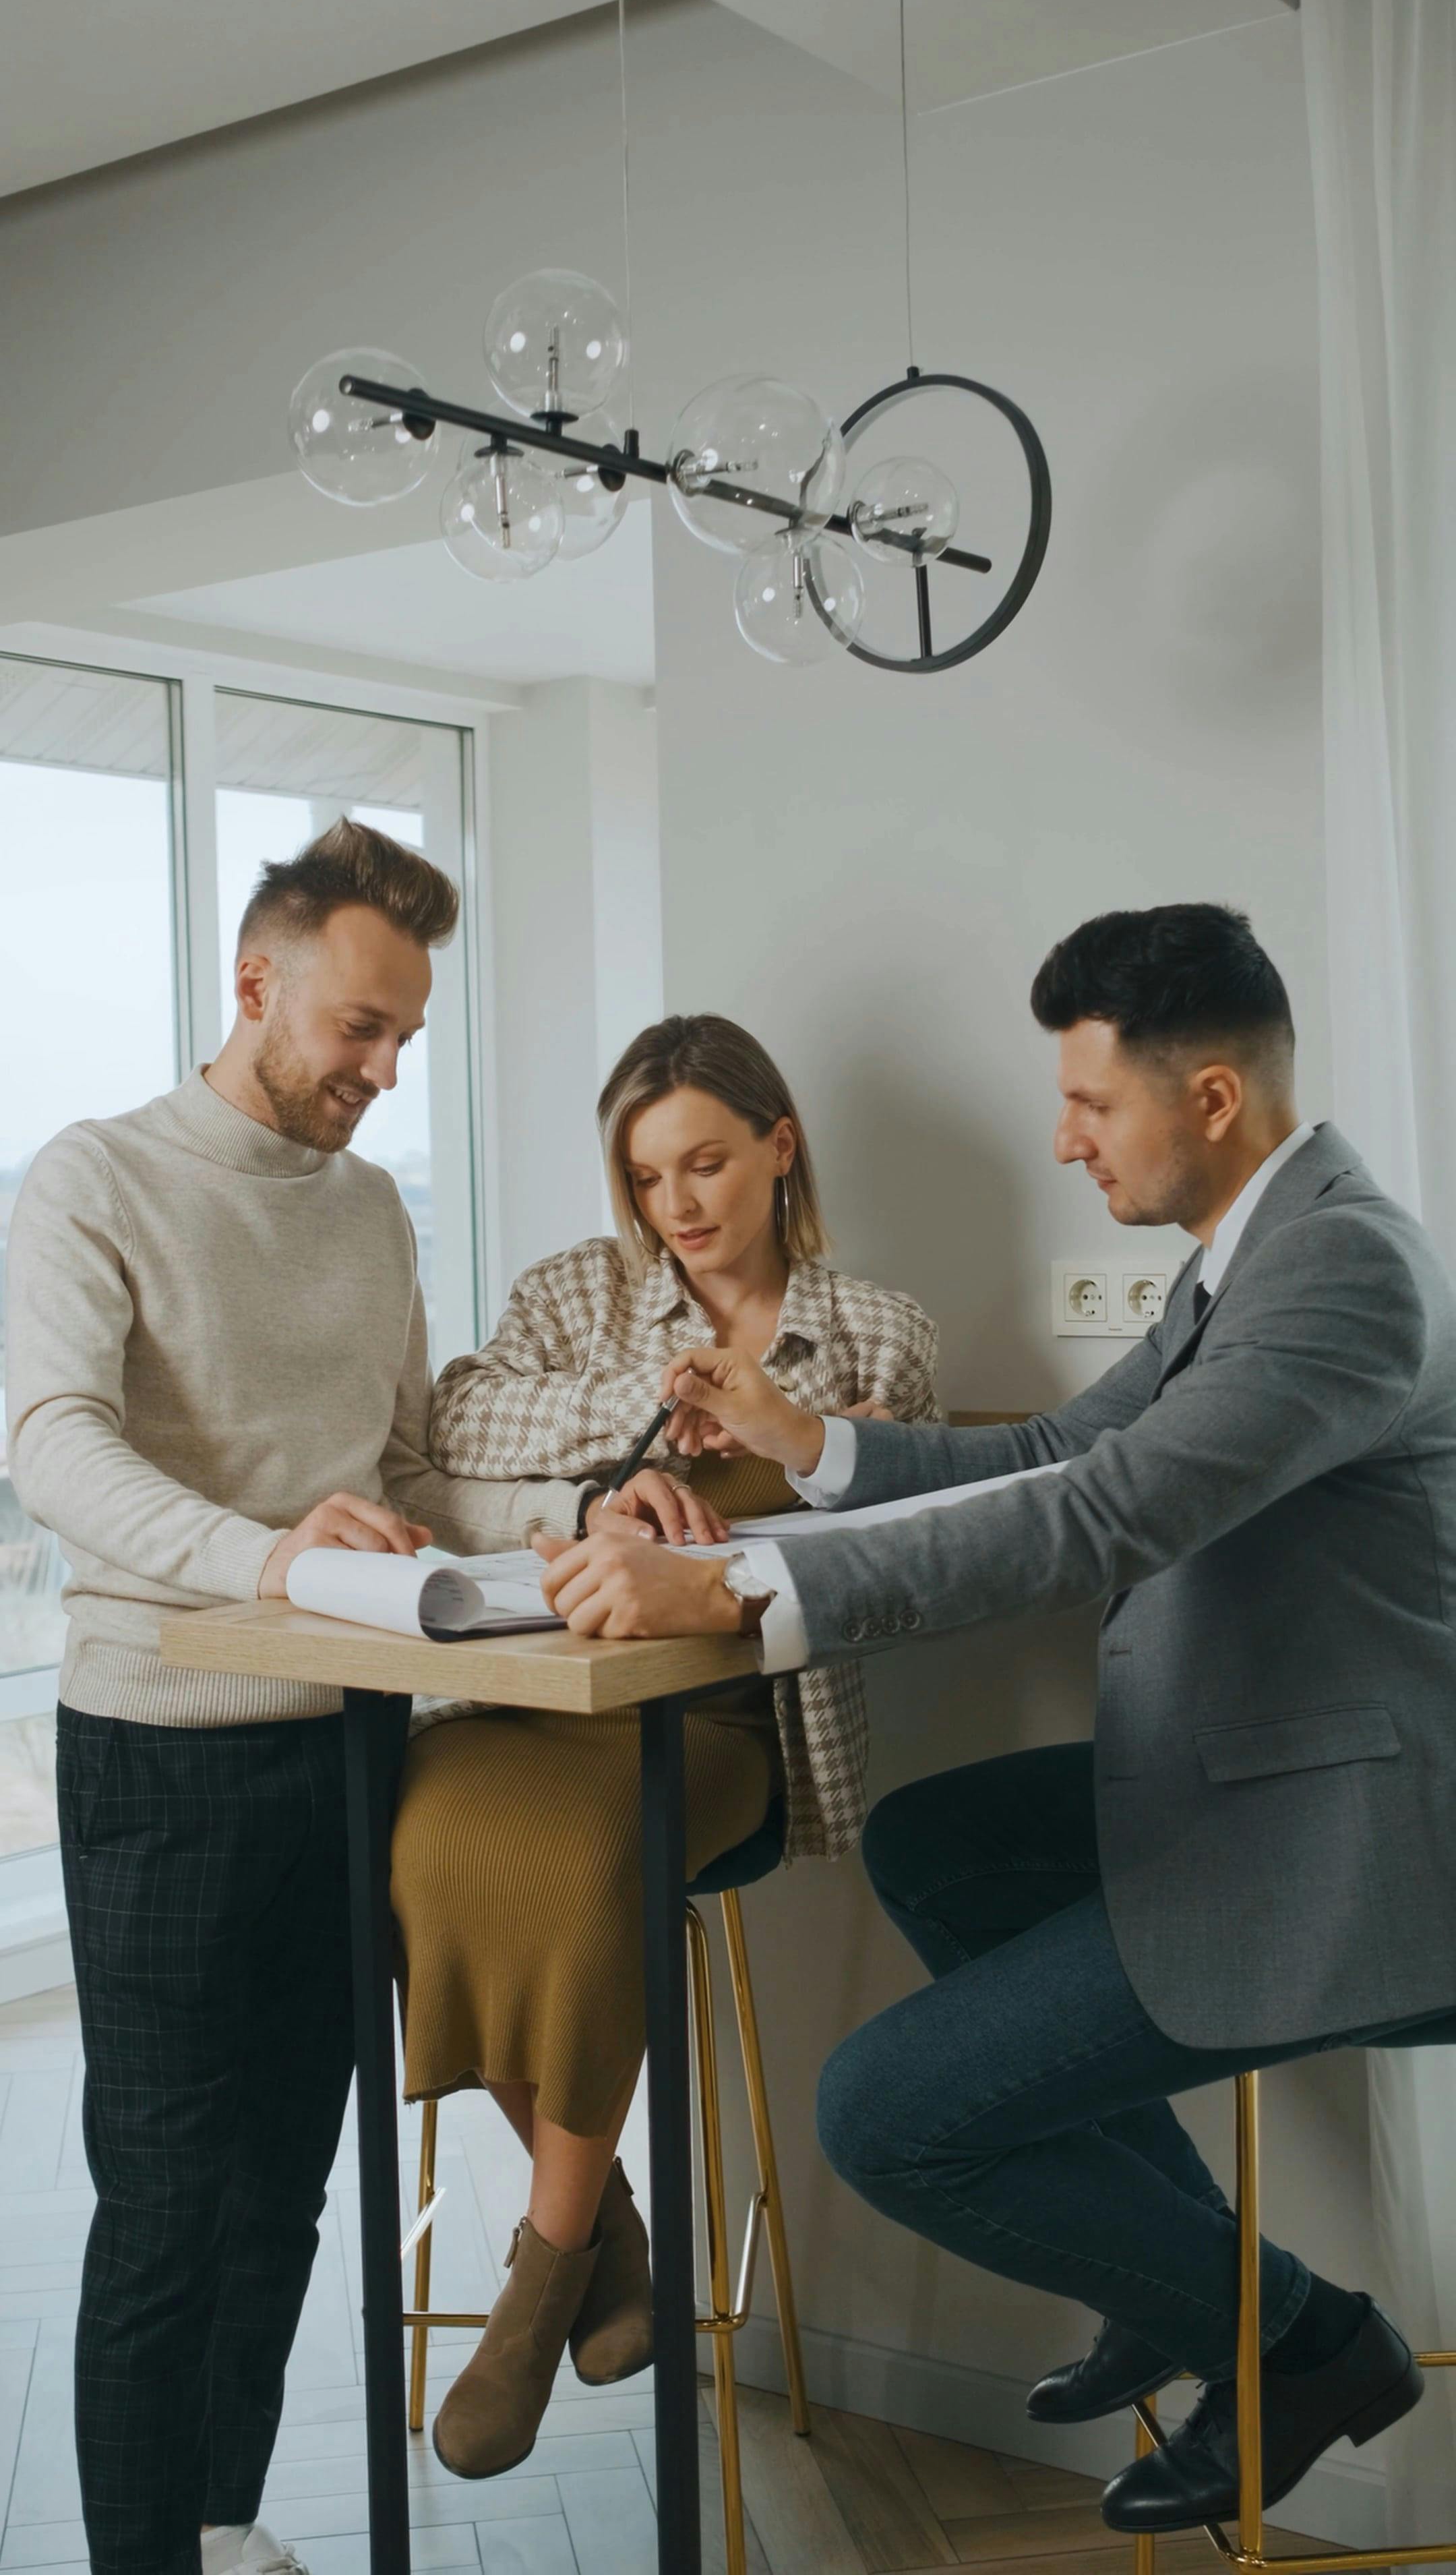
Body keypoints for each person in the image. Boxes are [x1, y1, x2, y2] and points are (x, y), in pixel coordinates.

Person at [534, 904, 1456, 2535]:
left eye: (1093, 1106)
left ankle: (1306, 2347)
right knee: (938, 1838)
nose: (1065, 1137)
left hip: (1347, 1840)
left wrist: (744, 1595)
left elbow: (1101, 1519)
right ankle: (1188, 2292)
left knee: (883, 2114)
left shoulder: (1342, 1271)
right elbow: (1054, 1452)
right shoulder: (1243, 1256)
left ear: (1215, 1100)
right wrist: (807, 1440)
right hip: (1246, 1774)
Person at [3, 824, 593, 2575]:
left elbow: (408, 1469)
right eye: (358, 1028)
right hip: (163, 1753)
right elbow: (49, 1449)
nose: (383, 1069)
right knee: (171, 2213)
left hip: (354, 1748)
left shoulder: (369, 1208)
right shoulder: (94, 1181)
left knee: (283, 2199)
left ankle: (216, 2531)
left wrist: (588, 1516)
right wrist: (275, 1561)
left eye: (407, 1036)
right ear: (256, 983)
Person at [390, 1010, 939, 2479]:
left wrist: (805, 1440)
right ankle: (606, 2232)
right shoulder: (579, 1296)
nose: (678, 1206)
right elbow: (456, 1425)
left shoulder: (877, 1327)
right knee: (415, 1845)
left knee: (584, 1863)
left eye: (705, 1163)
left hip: (720, 1724)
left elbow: (904, 1569)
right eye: (646, 1179)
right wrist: (644, 1432)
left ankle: (534, 2285)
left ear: (780, 1143)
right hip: (532, 1699)